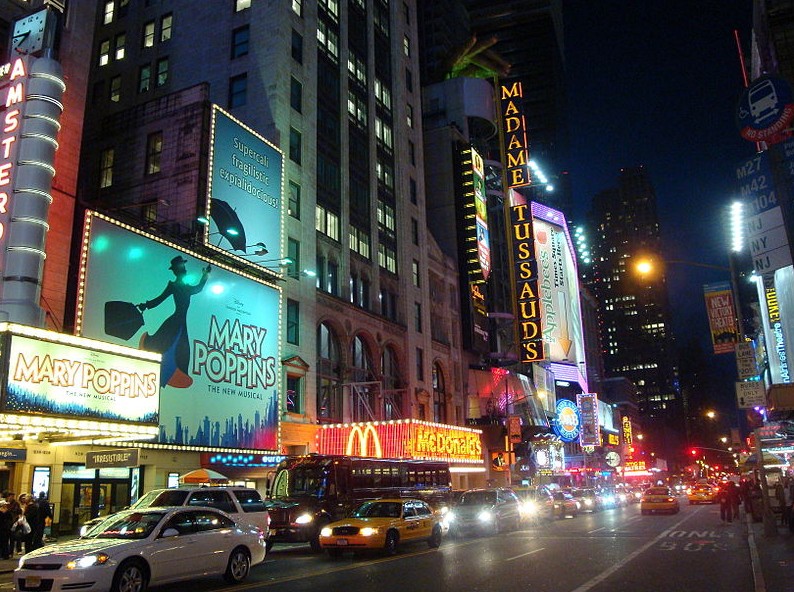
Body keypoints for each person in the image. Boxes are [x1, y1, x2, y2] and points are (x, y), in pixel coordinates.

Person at [137, 256, 211, 388]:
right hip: (175, 321)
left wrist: (205, 275)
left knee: (180, 348)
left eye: (184, 266)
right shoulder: (174, 286)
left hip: (181, 322)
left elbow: (199, 288)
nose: (184, 269)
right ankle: (159, 371)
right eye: (182, 267)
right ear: (177, 270)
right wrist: (145, 305)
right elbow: (159, 299)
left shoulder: (187, 287)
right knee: (169, 345)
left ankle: (171, 372)